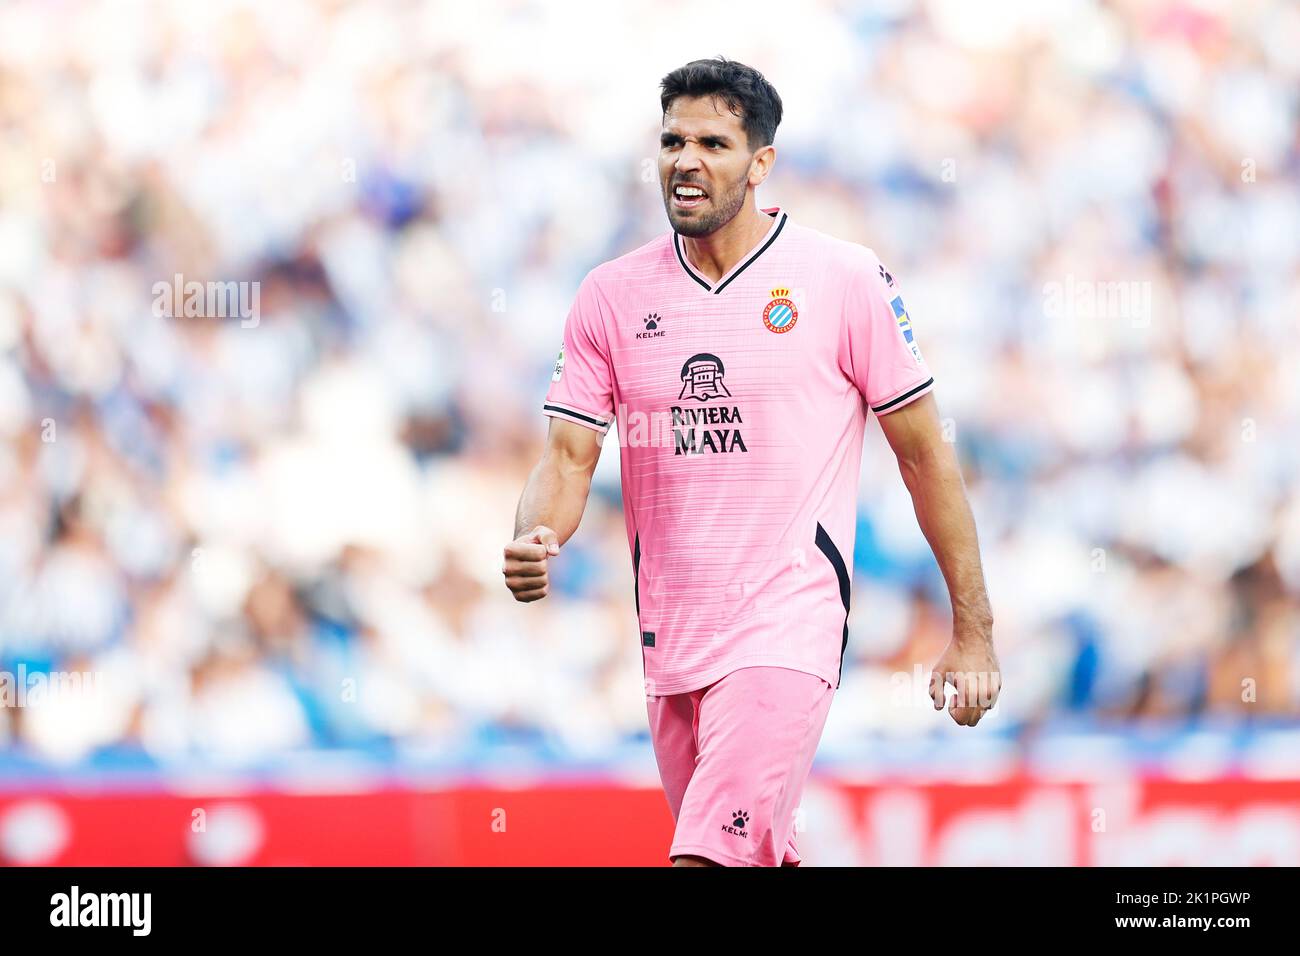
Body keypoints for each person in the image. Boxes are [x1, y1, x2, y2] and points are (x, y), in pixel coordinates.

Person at [503, 56, 1001, 867]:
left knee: (700, 858)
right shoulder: (611, 296)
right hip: (672, 640)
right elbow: (566, 456)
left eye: (713, 143)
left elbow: (926, 461)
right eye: (671, 141)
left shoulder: (843, 280)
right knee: (748, 856)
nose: (685, 161)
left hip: (787, 626)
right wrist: (536, 537)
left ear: (761, 163)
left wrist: (973, 631)